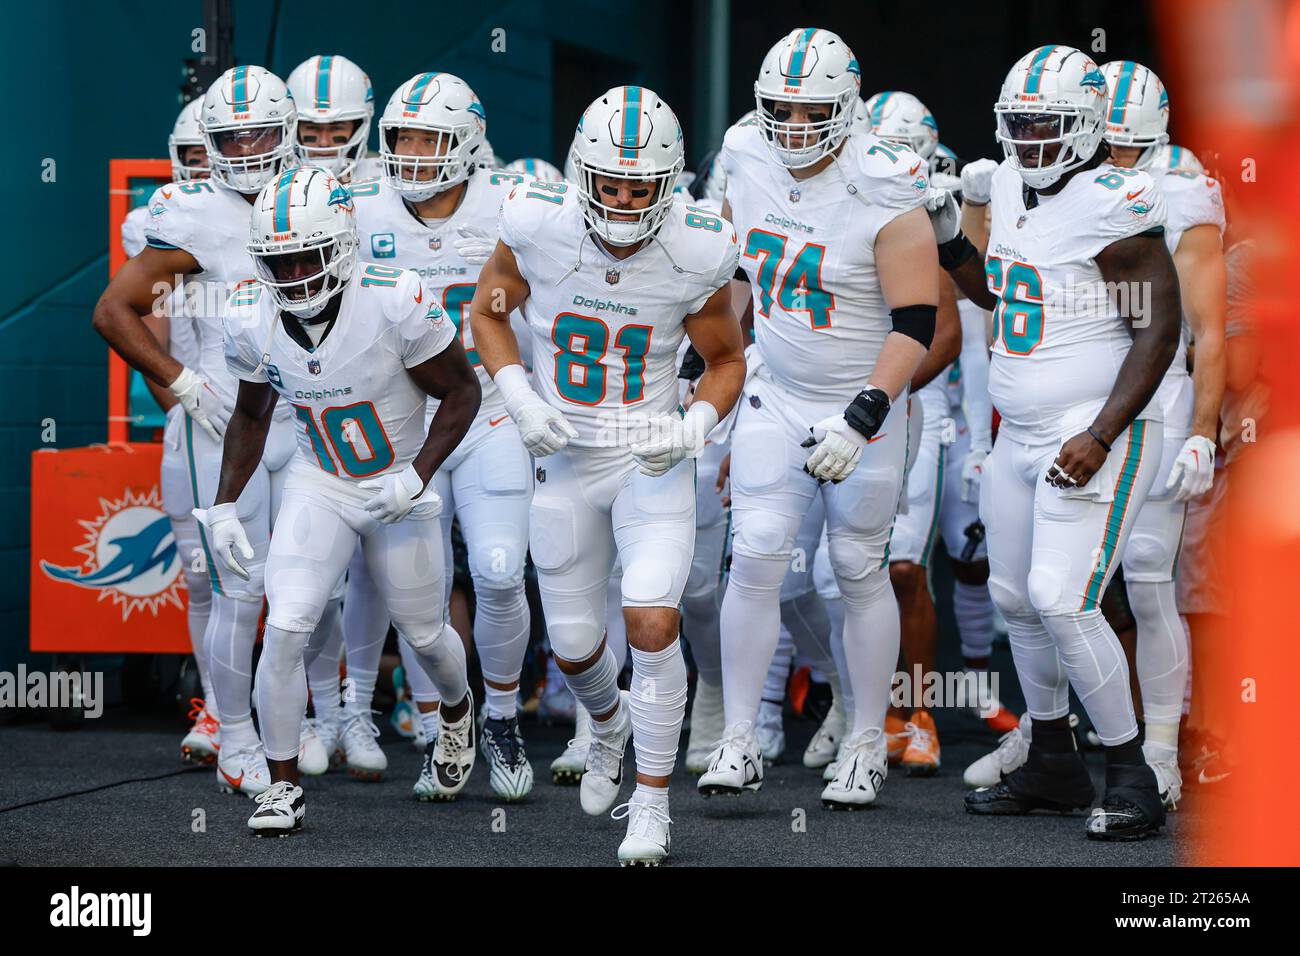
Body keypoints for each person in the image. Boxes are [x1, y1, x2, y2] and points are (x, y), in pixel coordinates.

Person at [470, 86, 745, 864]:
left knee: (652, 622)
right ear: (579, 174)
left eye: (640, 188)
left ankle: (653, 805)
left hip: (646, 456)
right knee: (574, 645)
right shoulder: (539, 225)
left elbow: (726, 360)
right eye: (610, 186)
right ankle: (609, 726)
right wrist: (519, 394)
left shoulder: (697, 246)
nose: (623, 203)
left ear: (671, 184)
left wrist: (692, 424)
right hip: (561, 455)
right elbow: (489, 312)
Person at [931, 44, 1181, 840]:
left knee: (1063, 599)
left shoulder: (1117, 200)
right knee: (1014, 600)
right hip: (1022, 433)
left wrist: (1102, 433)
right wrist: (949, 243)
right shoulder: (1007, 182)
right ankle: (1050, 758)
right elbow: (999, 297)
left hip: (1096, 429)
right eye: (1020, 122)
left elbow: (1159, 325)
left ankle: (1132, 772)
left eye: (1049, 124)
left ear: (1091, 127)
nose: (1031, 138)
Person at [699, 27, 941, 810]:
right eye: (781, 109)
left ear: (849, 110)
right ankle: (740, 735)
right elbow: (738, 272)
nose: (794, 128)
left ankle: (868, 739)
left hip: (863, 396)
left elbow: (916, 321)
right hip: (777, 386)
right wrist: (713, 361)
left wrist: (864, 414)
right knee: (758, 553)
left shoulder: (885, 179)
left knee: (857, 570)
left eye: (813, 112)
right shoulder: (745, 153)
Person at [215, 165, 481, 834]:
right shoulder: (251, 311)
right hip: (322, 481)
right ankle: (281, 787)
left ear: (343, 242)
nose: (296, 272)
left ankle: (455, 709)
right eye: (281, 259)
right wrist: (223, 505)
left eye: (308, 253)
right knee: (287, 626)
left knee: (423, 633)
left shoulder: (394, 299)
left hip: (397, 480)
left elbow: (463, 392)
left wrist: (417, 475)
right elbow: (251, 414)